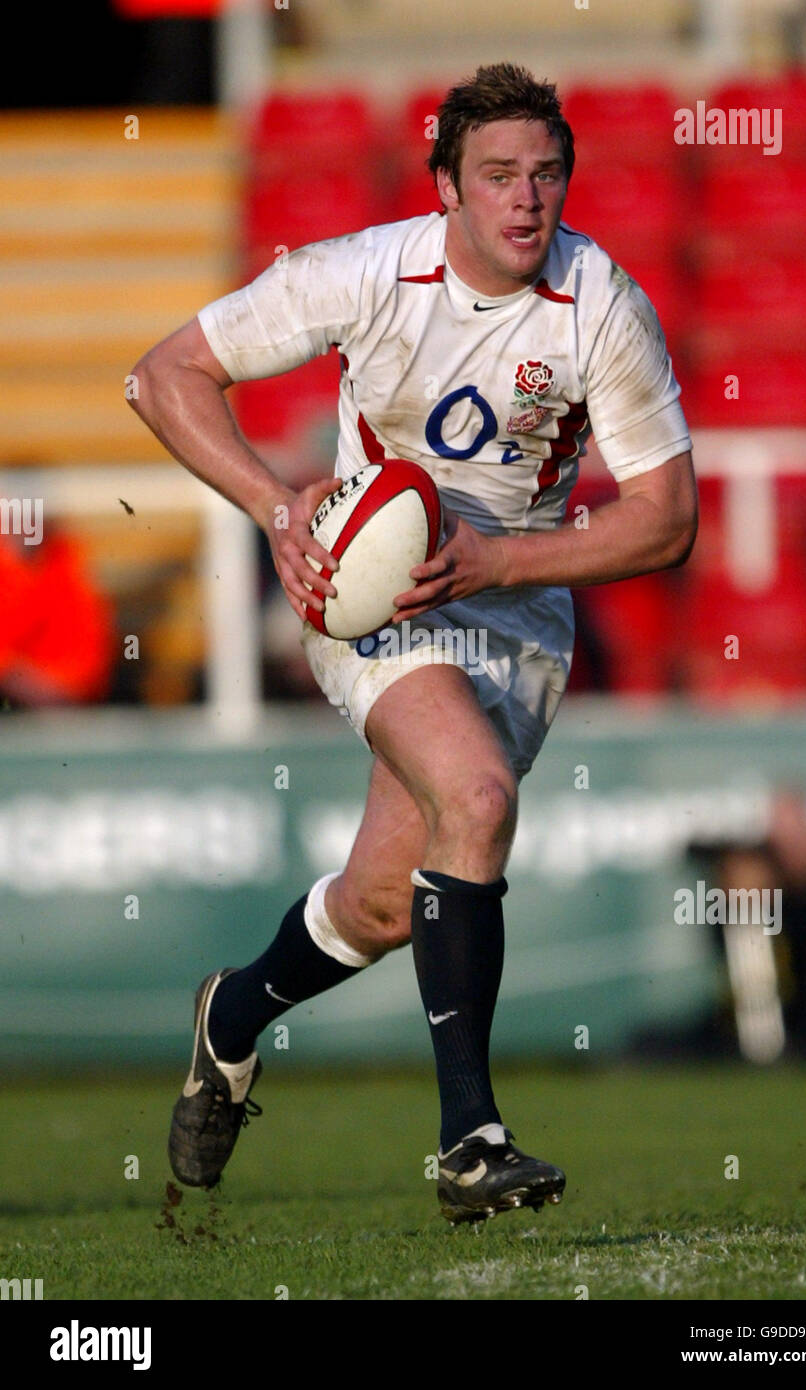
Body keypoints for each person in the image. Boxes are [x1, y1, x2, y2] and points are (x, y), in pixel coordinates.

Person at [128, 63, 697, 1224]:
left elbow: (667, 519)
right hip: (376, 597)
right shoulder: (364, 272)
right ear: (445, 185)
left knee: (388, 903)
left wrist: (502, 564)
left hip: (515, 603)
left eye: (544, 175)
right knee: (476, 799)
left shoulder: (601, 303)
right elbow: (162, 374)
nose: (524, 200)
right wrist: (277, 508)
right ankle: (468, 1141)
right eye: (495, 175)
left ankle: (229, 1016)